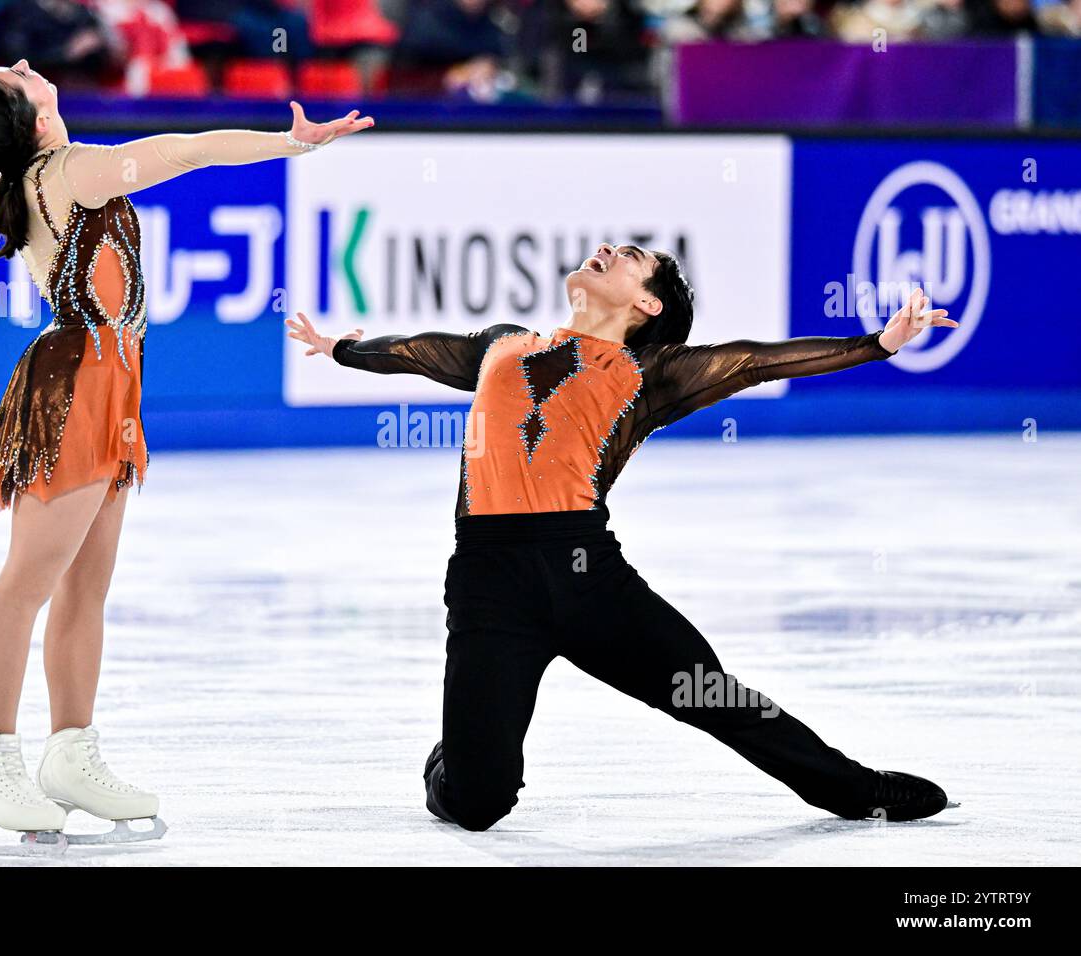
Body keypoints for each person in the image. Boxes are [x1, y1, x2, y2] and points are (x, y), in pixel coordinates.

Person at [0, 61, 373, 853]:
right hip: (76, 386)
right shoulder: (76, 171)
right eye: (18, 76)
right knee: (27, 583)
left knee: (84, 586)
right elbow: (189, 150)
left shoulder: (9, 176)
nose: (29, 66)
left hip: (110, 381)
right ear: (36, 119)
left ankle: (69, 752)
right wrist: (289, 143)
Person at [286, 243, 955, 832]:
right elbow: (415, 352)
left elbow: (754, 363)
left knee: (710, 693)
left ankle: (858, 789)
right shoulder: (503, 343)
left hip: (590, 584)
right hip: (489, 586)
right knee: (477, 804)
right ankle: (455, 757)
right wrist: (340, 349)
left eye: (633, 256)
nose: (608, 247)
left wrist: (876, 345)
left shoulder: (647, 376)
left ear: (646, 304)